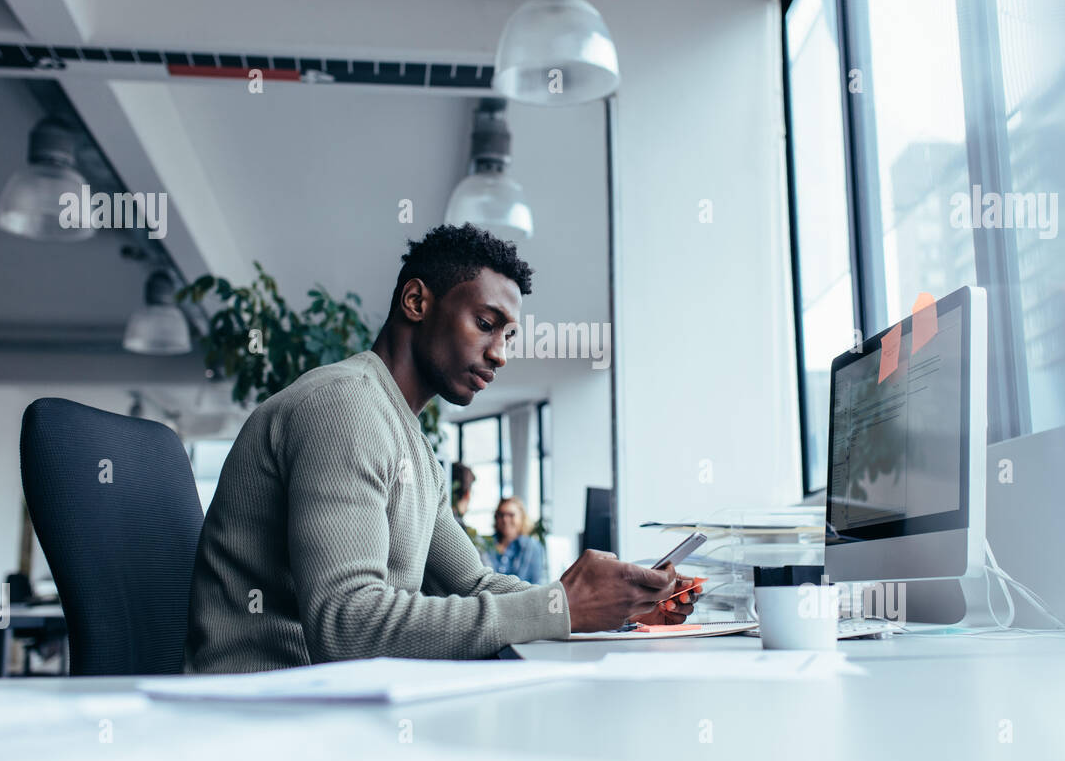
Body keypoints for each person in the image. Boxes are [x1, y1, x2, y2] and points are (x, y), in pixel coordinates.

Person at [183, 223, 700, 672]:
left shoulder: (412, 447)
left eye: (509, 336)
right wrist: (560, 606)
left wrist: (617, 606)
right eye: (485, 323)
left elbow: (474, 585)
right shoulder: (344, 406)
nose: (499, 354)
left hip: (332, 707)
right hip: (261, 717)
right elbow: (346, 626)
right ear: (416, 302)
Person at [480, 497, 546, 584]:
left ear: (522, 518)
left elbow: (535, 584)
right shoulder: (484, 544)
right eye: (501, 515)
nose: (505, 519)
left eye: (511, 515)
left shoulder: (532, 547)